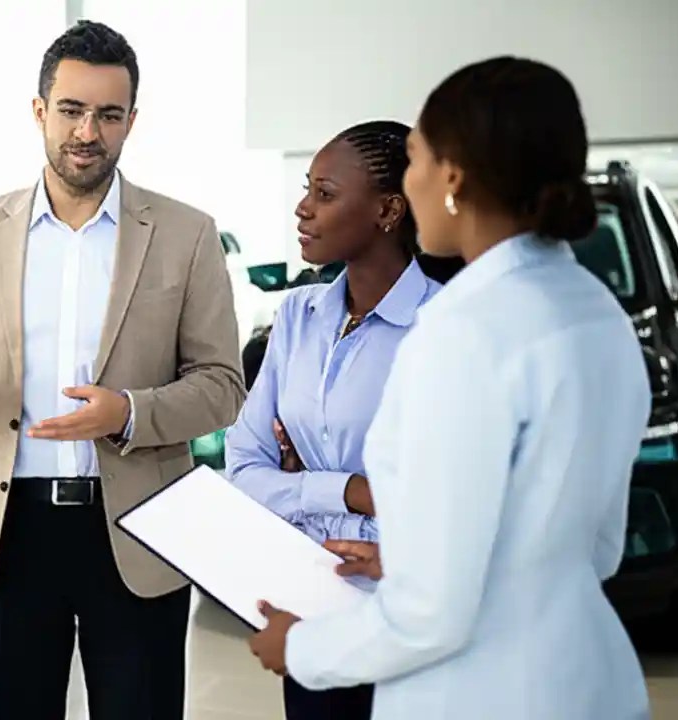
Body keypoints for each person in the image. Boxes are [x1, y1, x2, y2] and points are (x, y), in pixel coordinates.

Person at [248, 56, 652, 720]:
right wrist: (410, 554)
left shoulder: (458, 331)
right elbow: (597, 550)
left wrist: (302, 649)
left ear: (452, 177)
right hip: (591, 682)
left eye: (415, 161)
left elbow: (428, 615)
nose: (410, 183)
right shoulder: (597, 311)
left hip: (483, 693)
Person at [0, 20, 245, 720]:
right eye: (72, 110)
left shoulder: (187, 233)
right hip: (7, 533)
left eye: (109, 115)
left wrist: (131, 413)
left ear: (131, 122)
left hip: (139, 530)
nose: (88, 132)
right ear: (39, 111)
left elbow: (222, 386)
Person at [225, 120, 447, 720]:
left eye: (325, 194)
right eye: (308, 189)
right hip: (309, 601)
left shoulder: (445, 329)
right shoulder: (297, 315)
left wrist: (299, 484)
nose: (303, 208)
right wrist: (351, 488)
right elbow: (243, 469)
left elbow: (449, 497)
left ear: (388, 210)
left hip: (409, 611)